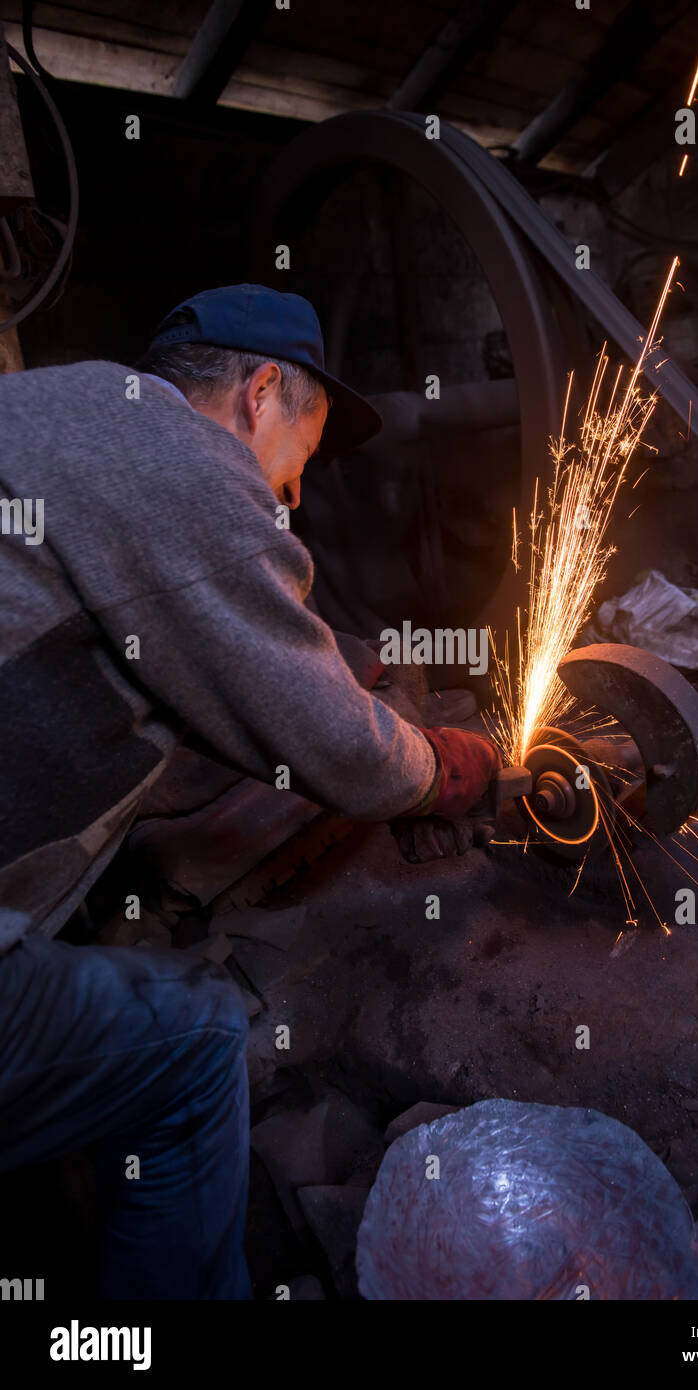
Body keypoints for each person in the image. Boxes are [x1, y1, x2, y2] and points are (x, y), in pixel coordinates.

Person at [0, 284, 500, 1297]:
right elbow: (347, 757)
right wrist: (444, 766)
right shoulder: (184, 462)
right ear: (259, 390)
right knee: (193, 1040)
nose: (293, 499)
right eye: (298, 462)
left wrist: (315, 664)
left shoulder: (49, 412)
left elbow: (160, 643)